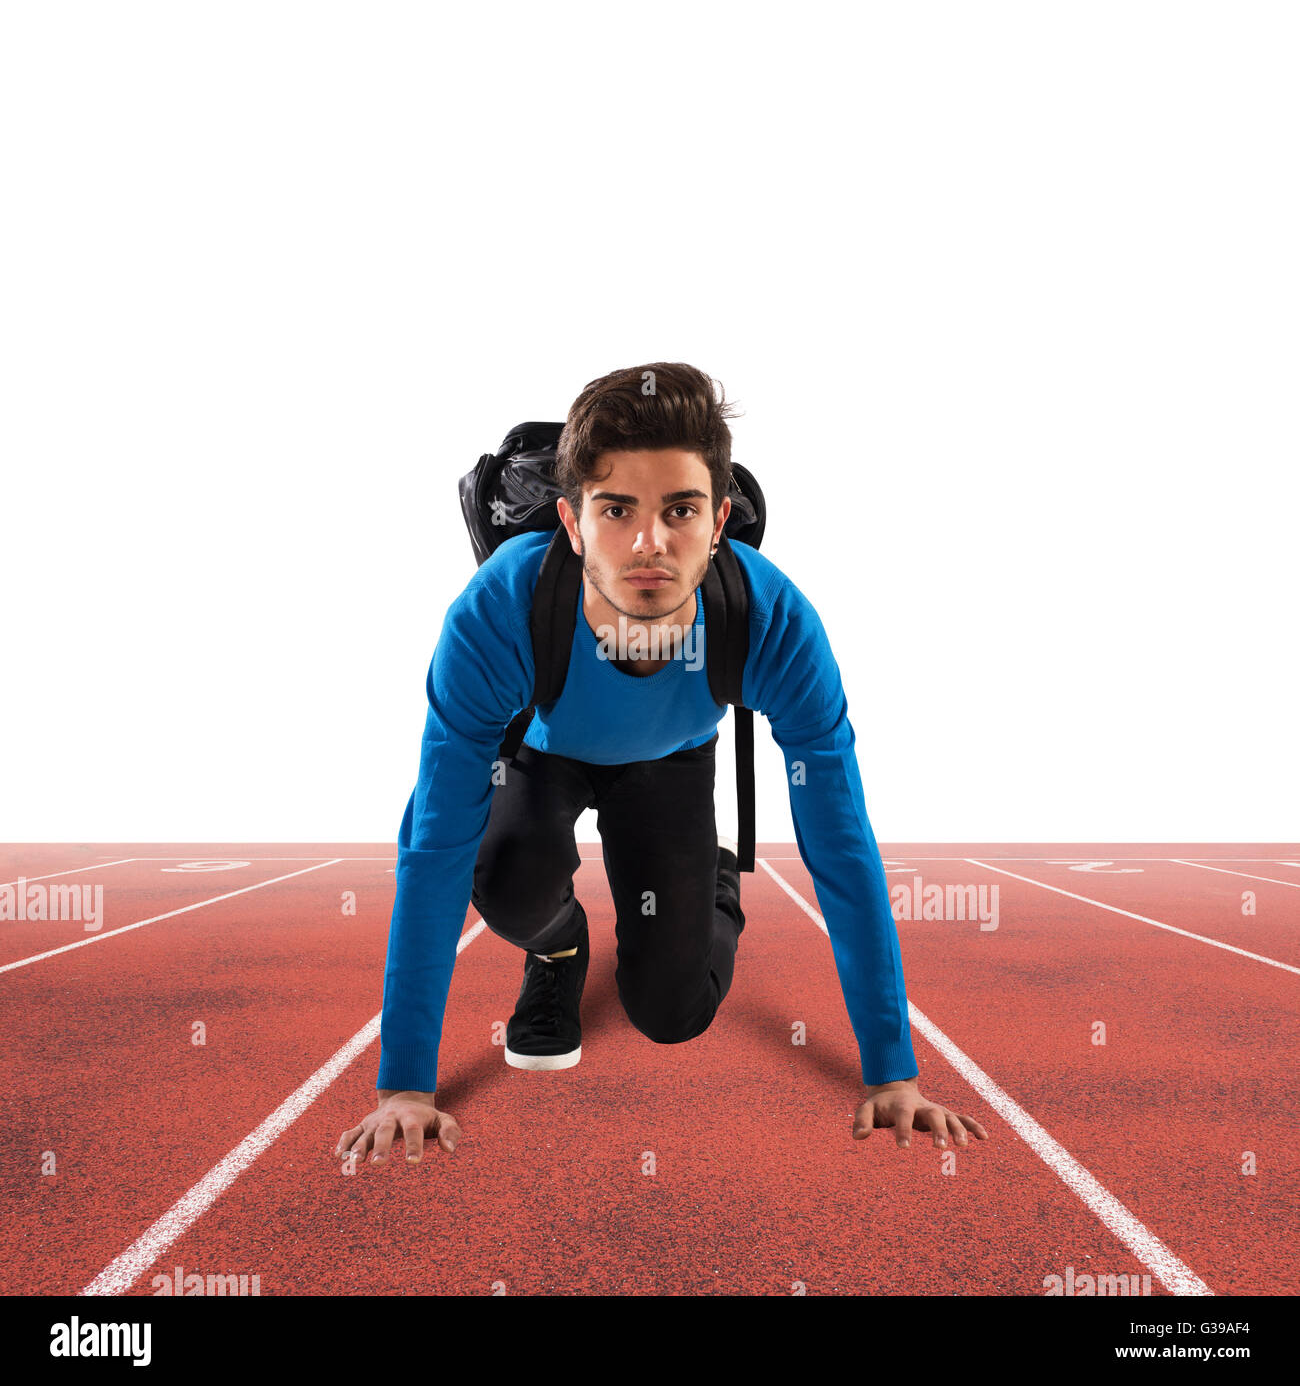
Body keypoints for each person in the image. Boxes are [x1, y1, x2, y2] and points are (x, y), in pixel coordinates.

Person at [335, 362, 989, 1168]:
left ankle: (709, 885)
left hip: (671, 762)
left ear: (717, 523)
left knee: (673, 1012)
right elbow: (432, 844)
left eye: (679, 510)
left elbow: (842, 843)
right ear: (572, 525)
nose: (650, 543)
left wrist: (893, 1072)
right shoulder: (498, 614)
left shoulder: (772, 622)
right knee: (503, 880)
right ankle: (560, 952)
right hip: (542, 756)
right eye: (618, 510)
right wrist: (405, 1086)